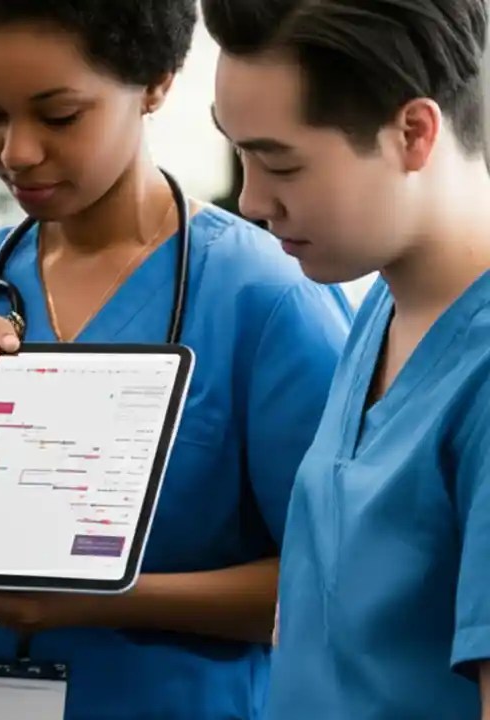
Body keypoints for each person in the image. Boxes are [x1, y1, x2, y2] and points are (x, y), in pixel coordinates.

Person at [0, 1, 353, 718]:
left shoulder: (267, 300)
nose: (16, 151)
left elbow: (338, 584)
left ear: (156, 84)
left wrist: (96, 597)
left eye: (59, 116)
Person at [205, 0, 490, 716]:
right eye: (238, 153)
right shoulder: (382, 308)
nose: (252, 198)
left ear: (413, 133)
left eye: (280, 163)